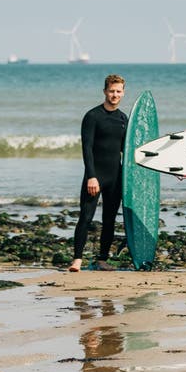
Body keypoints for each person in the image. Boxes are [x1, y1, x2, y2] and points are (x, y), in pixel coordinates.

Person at [69, 74, 128, 272]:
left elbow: (126, 150)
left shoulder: (123, 118)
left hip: (115, 176)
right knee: (86, 217)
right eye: (111, 91)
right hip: (95, 176)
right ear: (105, 91)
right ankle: (77, 259)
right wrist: (91, 176)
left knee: (109, 219)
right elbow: (87, 148)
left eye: (118, 91)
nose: (115, 95)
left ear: (123, 93)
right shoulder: (92, 116)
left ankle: (102, 259)